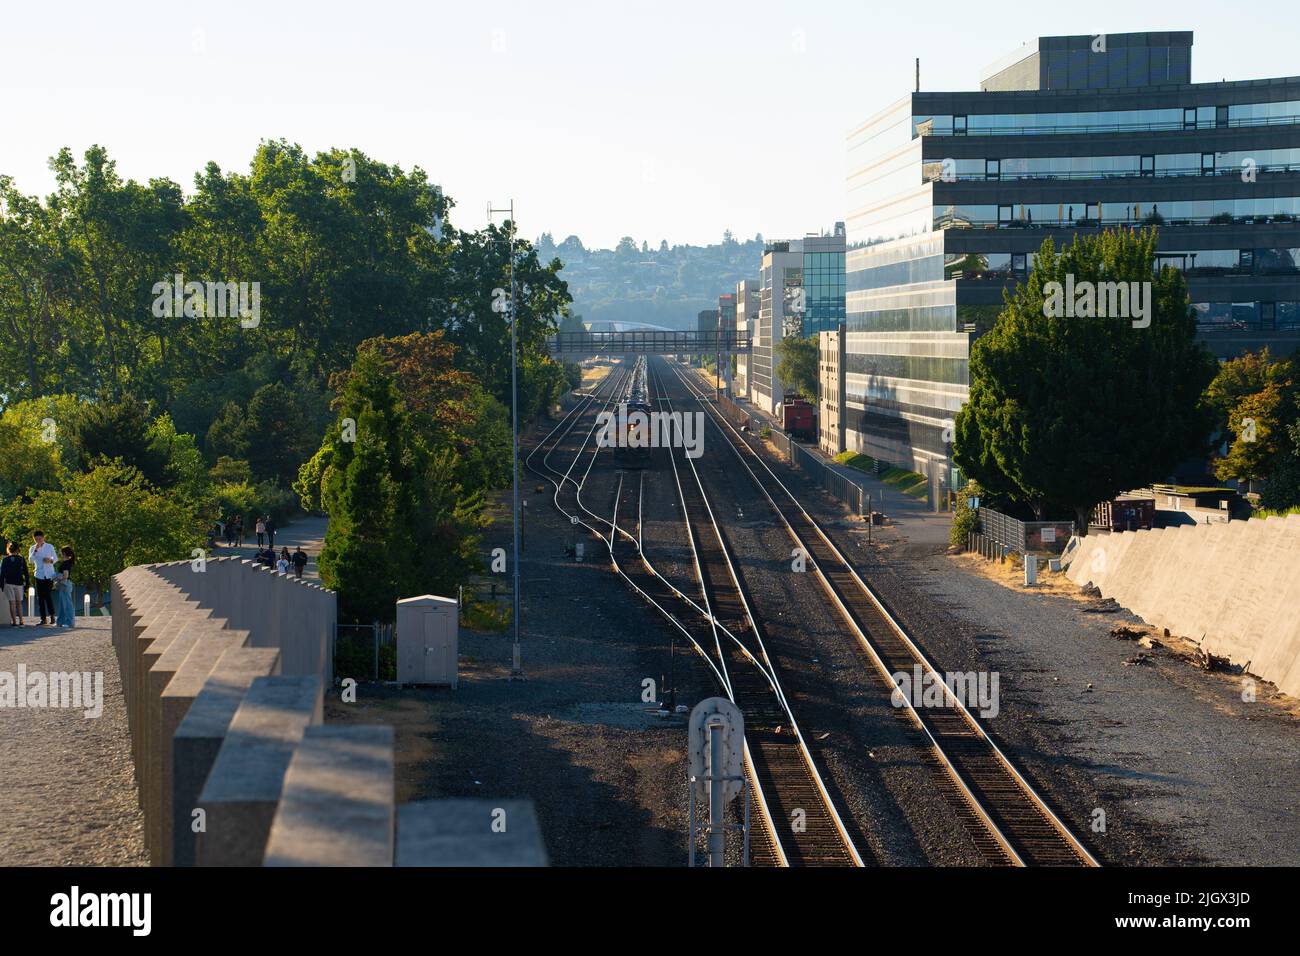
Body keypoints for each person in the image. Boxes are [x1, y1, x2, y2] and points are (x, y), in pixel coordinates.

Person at [29, 530, 58, 626]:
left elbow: (56, 559)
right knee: (40, 598)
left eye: (39, 539)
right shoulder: (33, 548)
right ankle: (43, 619)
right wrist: (36, 550)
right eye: (36, 539)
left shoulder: (50, 546)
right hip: (39, 575)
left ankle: (52, 616)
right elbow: (31, 561)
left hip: (49, 574)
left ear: (43, 538)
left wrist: (50, 560)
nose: (38, 541)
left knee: (48, 595)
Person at [1, 541, 29, 626]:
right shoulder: (21, 559)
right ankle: (21, 621)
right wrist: (27, 583)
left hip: (9, 583)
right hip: (19, 583)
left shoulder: (5, 560)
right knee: (19, 603)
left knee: (12, 603)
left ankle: (14, 622)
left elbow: (2, 573)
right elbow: (26, 572)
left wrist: (1, 585)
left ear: (8, 549)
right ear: (18, 549)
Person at [54, 546, 76, 627]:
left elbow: (65, 575)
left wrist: (57, 578)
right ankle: (60, 622)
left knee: (67, 604)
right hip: (66, 584)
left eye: (61, 553)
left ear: (64, 553)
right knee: (62, 604)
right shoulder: (68, 562)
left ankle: (69, 623)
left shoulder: (66, 563)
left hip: (65, 584)